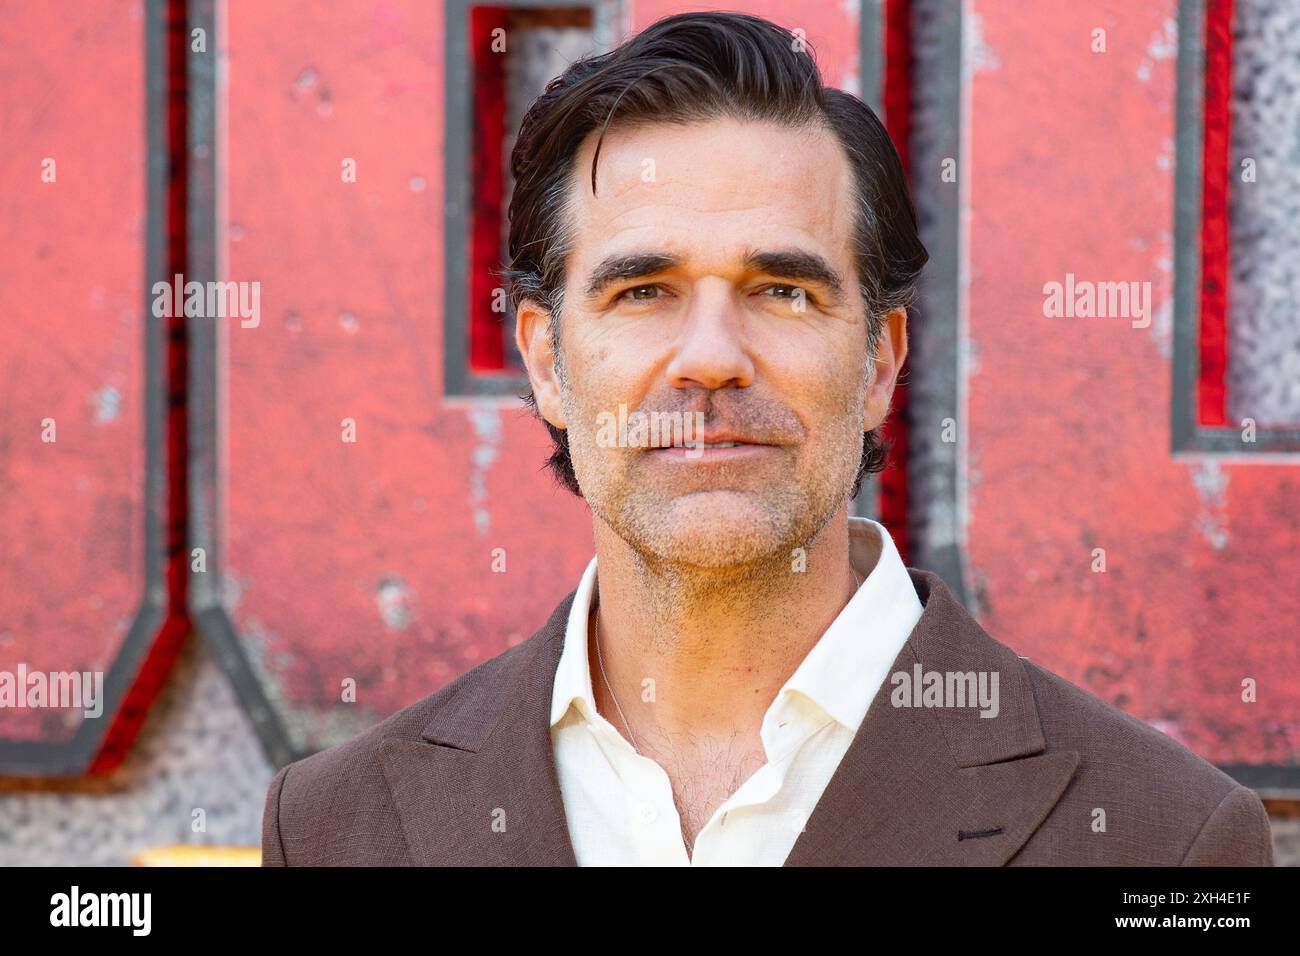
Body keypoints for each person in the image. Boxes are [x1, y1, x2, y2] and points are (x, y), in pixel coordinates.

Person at [261, 11, 1273, 866]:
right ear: (546, 362)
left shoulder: (1162, 840)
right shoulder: (335, 832)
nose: (710, 358)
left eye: (780, 290)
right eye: (643, 290)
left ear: (878, 360)